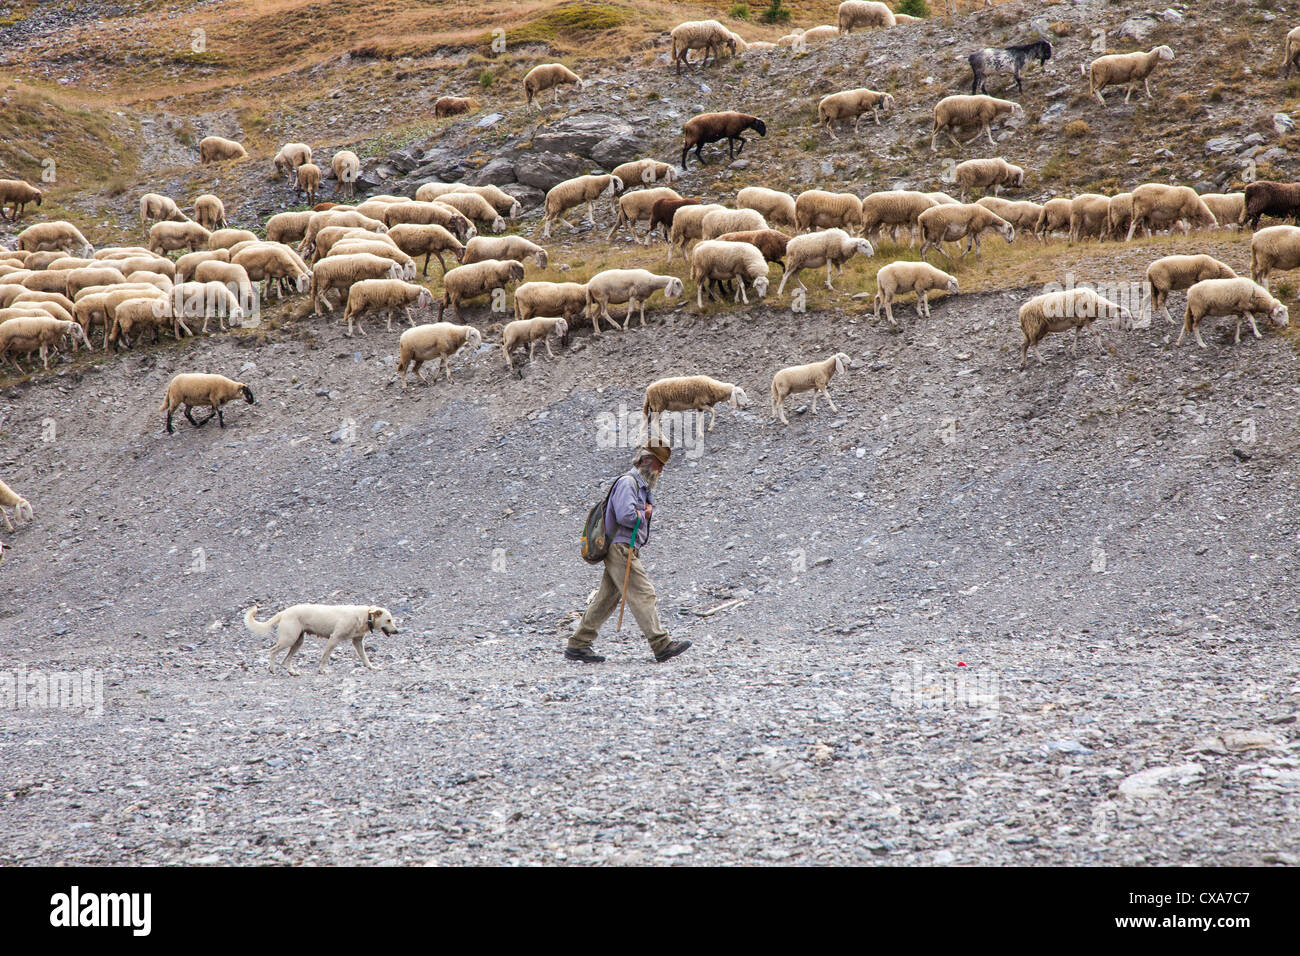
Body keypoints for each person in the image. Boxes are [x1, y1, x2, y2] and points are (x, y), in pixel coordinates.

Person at [566, 443, 691, 664]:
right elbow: (626, 516)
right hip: (621, 548)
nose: (660, 471)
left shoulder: (640, 485)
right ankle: (661, 644)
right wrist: (645, 513)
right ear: (646, 461)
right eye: (659, 465)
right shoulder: (628, 483)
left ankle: (578, 644)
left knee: (606, 598)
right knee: (644, 593)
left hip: (623, 547)